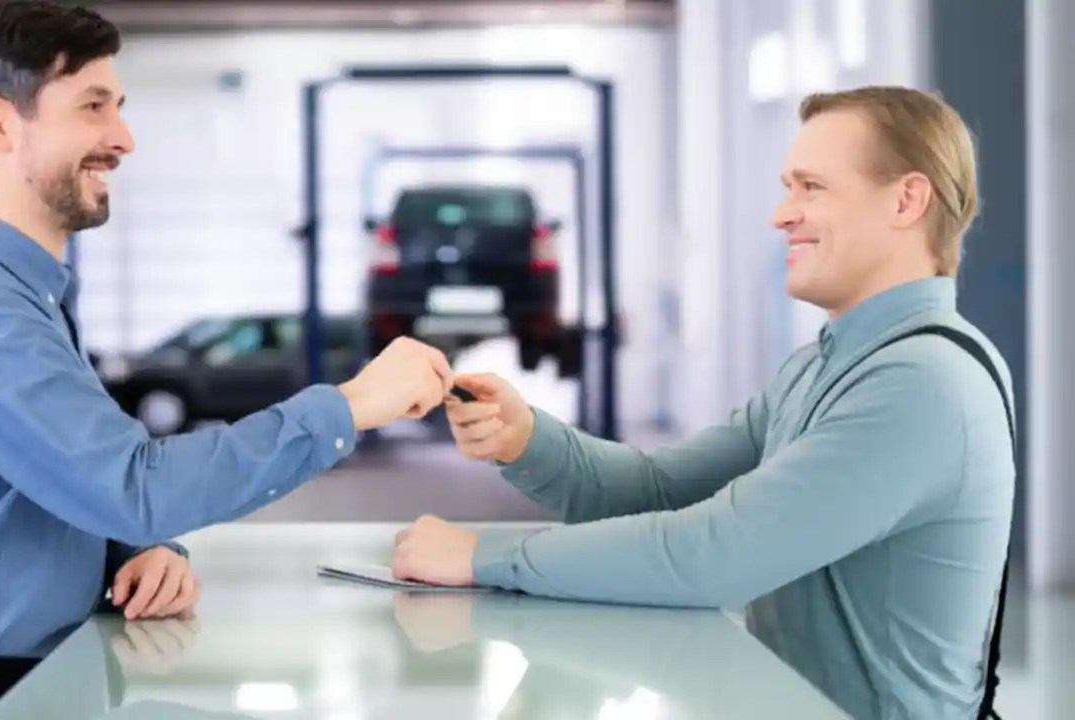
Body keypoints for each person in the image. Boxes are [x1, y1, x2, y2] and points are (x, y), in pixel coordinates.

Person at [0, 3, 452, 719]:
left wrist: (136, 551)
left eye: (120, 107)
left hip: (47, 679)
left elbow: (60, 478)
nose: (123, 138)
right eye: (92, 106)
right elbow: (131, 484)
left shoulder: (30, 296)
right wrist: (353, 404)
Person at [392, 86, 1015, 720]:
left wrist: (482, 558)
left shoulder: (921, 384)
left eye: (811, 187)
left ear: (907, 200)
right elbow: (659, 491)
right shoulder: (828, 365)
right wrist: (526, 439)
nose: (782, 214)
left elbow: (713, 555)